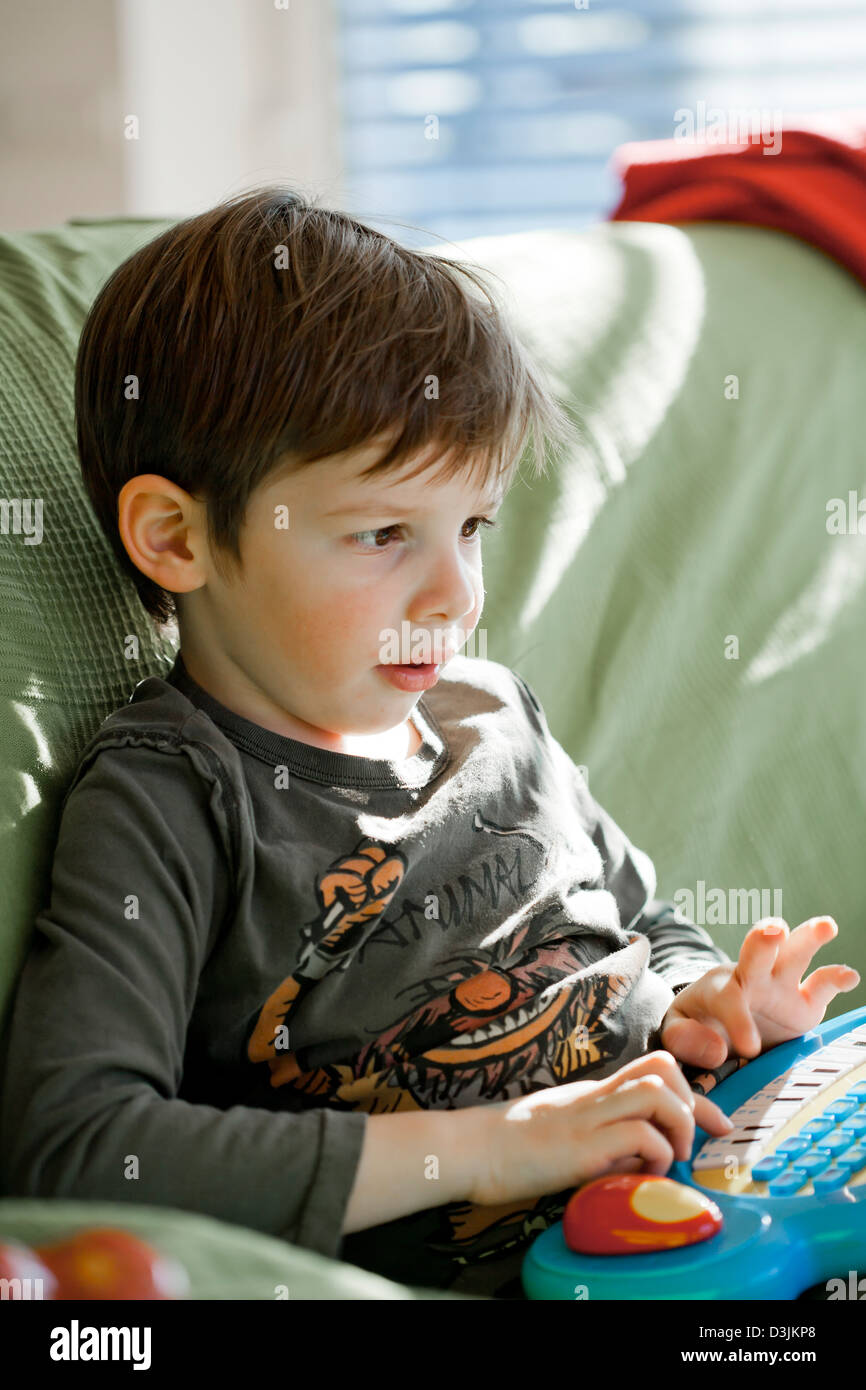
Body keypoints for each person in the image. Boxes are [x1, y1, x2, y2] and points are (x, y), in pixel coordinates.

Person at [0, 187, 858, 1300]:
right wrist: (501, 1142)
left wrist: (708, 1004)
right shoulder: (173, 799)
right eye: (382, 534)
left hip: (725, 1209)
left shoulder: (492, 714)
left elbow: (641, 923)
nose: (453, 591)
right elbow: (76, 1146)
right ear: (176, 537)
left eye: (471, 526)